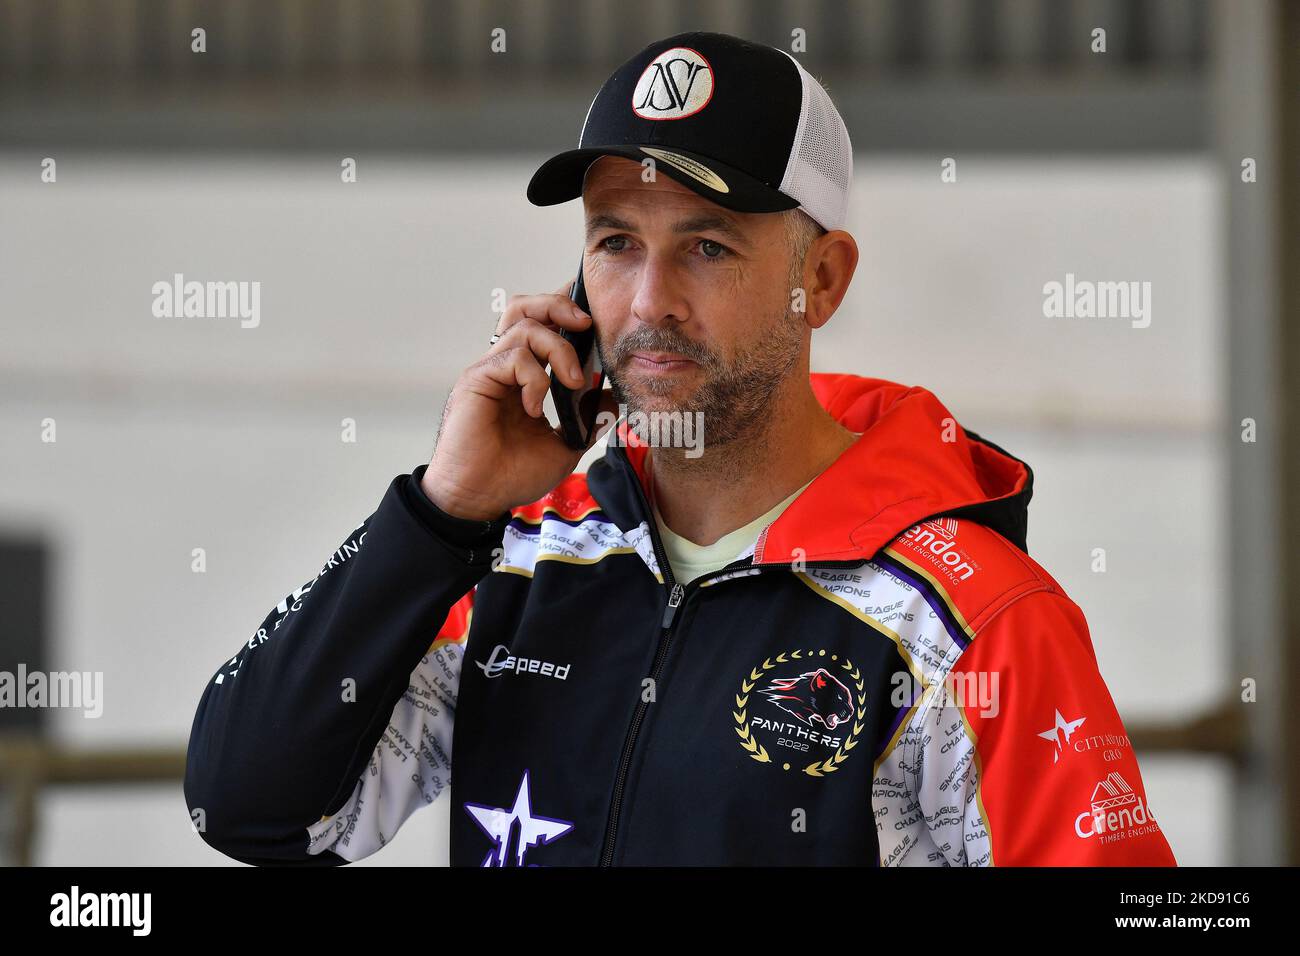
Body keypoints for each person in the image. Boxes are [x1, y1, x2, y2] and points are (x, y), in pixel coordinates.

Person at [184, 31, 1177, 867]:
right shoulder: (520, 559)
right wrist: (441, 511)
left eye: (706, 247)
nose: (647, 303)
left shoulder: (972, 621)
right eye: (615, 243)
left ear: (820, 281)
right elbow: (252, 808)